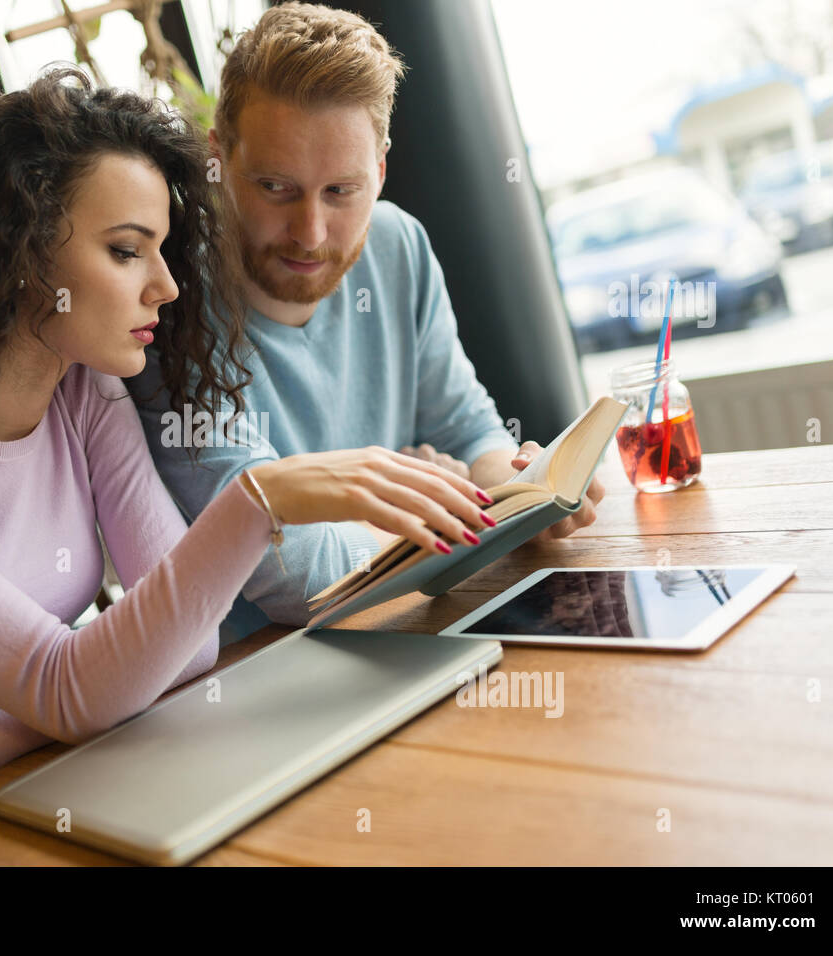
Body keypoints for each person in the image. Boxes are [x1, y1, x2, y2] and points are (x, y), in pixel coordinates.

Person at [0, 66, 496, 792]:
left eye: (162, 250)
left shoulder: (84, 393)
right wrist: (260, 498)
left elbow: (190, 646)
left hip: (53, 767)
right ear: (19, 250)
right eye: (124, 250)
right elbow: (68, 688)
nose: (167, 286)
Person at [128, 2, 604, 639]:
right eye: (276, 187)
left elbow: (465, 428)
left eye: (341, 191)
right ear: (218, 159)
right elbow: (291, 575)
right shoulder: (167, 302)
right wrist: (438, 505)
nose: (310, 232)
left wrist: (519, 493)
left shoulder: (397, 245)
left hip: (417, 629)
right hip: (264, 673)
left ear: (379, 170)